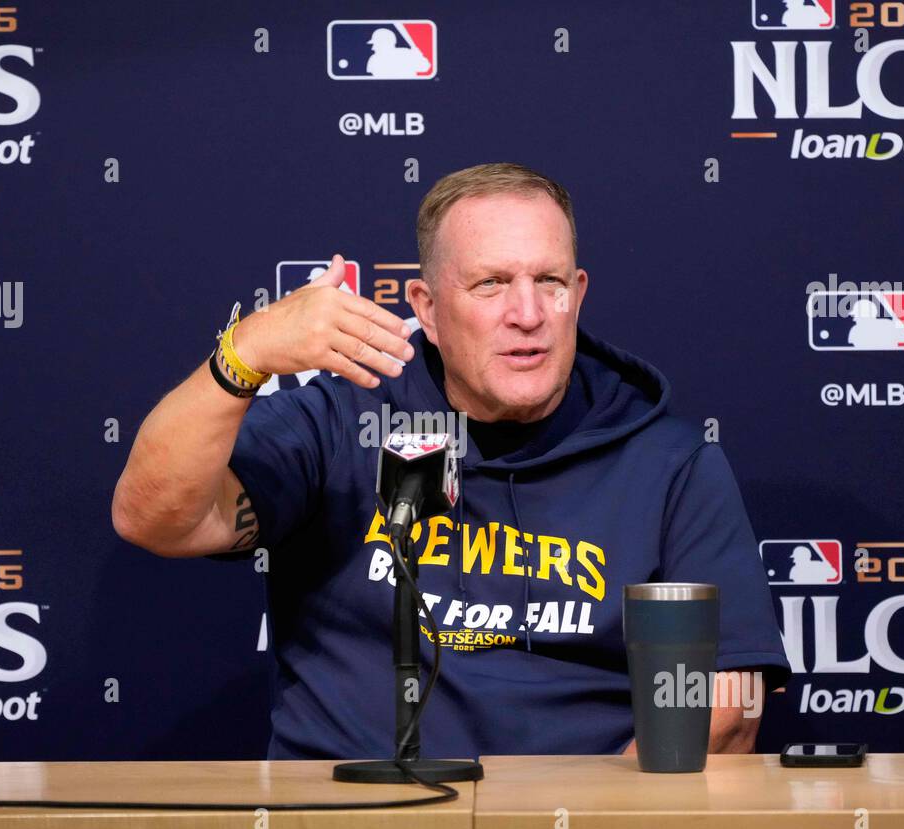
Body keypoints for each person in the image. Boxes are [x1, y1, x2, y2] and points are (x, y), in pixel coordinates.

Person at [112, 162, 791, 759]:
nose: (527, 313)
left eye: (549, 281)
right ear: (427, 310)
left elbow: (725, 706)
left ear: (577, 295)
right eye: (491, 284)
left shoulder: (667, 461)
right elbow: (157, 518)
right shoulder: (344, 417)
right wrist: (246, 353)